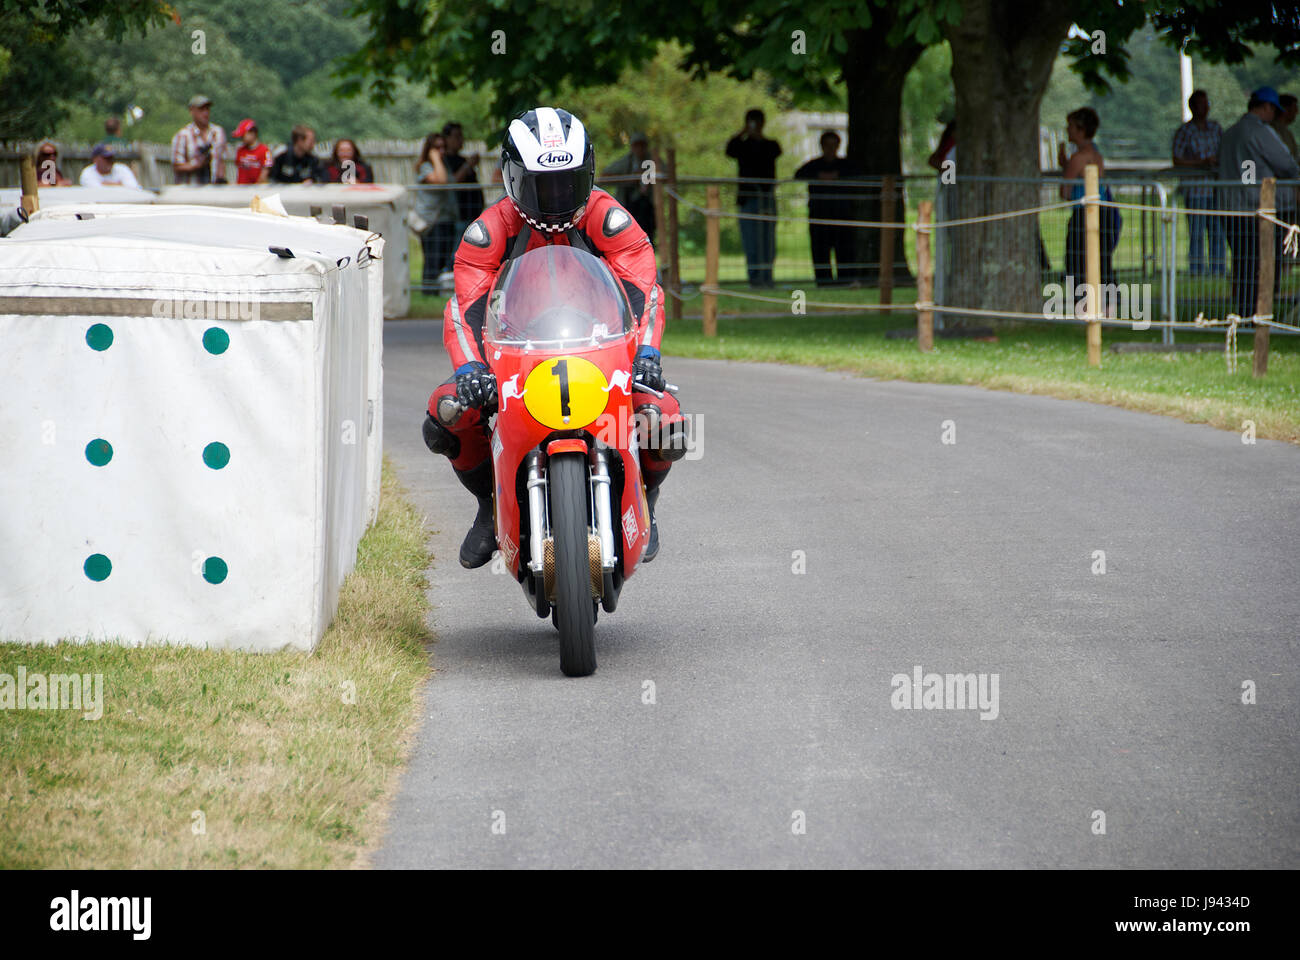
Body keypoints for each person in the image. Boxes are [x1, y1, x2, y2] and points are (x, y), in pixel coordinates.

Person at [422, 106, 684, 568]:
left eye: (568, 181)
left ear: (588, 174)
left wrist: (646, 353)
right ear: (511, 176)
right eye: (541, 184)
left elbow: (646, 290)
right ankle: (488, 506)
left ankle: (645, 496)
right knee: (447, 412)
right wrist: (471, 370)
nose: (556, 196)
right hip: (518, 357)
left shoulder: (610, 219)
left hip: (601, 350)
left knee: (663, 416)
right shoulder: (488, 233)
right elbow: (464, 311)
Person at [1217, 87, 1300, 319]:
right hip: (1259, 209)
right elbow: (1286, 164)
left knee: (1243, 264)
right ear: (1267, 107)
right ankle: (1260, 313)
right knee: (1264, 264)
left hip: (1231, 208)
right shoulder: (1261, 132)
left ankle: (1245, 312)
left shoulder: (1230, 133)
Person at [1059, 107, 1121, 299]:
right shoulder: (1097, 154)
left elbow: (1065, 192)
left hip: (1083, 216)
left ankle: (1084, 310)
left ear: (1081, 129)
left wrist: (1067, 169)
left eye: (1071, 126)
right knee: (1101, 262)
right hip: (1104, 214)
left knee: (1076, 263)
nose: (1067, 130)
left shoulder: (1078, 158)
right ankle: (1108, 308)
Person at [726, 108, 781, 287]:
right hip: (747, 199)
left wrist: (758, 136)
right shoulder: (742, 146)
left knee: (768, 240)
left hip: (766, 199)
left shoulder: (770, 145)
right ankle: (754, 278)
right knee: (751, 241)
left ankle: (767, 277)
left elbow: (775, 151)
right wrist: (743, 132)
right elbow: (730, 149)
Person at [794, 130, 857, 286]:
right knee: (820, 250)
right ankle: (824, 282)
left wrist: (837, 176)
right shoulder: (814, 165)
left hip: (842, 214)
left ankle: (845, 281)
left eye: (833, 145)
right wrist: (819, 176)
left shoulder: (846, 165)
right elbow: (799, 174)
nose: (830, 148)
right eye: (827, 145)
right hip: (819, 214)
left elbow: (856, 173)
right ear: (822, 146)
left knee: (844, 250)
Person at [1172, 89, 1225, 276]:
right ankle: (1197, 270)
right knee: (1197, 233)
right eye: (1200, 104)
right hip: (1195, 191)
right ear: (1192, 107)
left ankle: (1218, 269)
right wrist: (1200, 163)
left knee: (1217, 231)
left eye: (1206, 104)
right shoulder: (1184, 131)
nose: (1204, 108)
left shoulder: (1216, 128)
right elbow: (1177, 159)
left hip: (1216, 189)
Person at [414, 132, 457, 293]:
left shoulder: (443, 165)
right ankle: (428, 290)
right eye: (437, 147)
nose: (441, 151)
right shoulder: (425, 166)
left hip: (447, 218)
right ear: (429, 149)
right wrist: (435, 158)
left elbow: (452, 181)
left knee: (444, 257)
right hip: (431, 220)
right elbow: (441, 181)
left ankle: (438, 290)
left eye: (443, 147)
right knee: (433, 257)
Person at [600, 131, 656, 243]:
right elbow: (605, 175)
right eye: (637, 145)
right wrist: (630, 179)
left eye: (642, 145)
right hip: (628, 205)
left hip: (647, 206)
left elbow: (664, 174)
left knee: (648, 229)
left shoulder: (652, 161)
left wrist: (647, 178)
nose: (639, 148)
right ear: (632, 146)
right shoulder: (626, 161)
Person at [171, 94, 227, 184]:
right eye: (201, 109)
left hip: (214, 189)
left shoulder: (218, 132)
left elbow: (222, 160)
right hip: (191, 190)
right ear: (192, 111)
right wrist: (197, 164)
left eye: (207, 109)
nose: (205, 113)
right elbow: (177, 167)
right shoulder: (183, 135)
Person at [441, 122, 486, 233]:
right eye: (457, 136)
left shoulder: (461, 159)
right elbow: (453, 181)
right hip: (460, 215)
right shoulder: (444, 162)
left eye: (461, 136)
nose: (461, 139)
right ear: (446, 139)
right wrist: (468, 165)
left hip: (473, 214)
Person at [232, 119, 271, 185]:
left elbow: (265, 172)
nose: (242, 138)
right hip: (241, 189)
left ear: (253, 133)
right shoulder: (240, 150)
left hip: (256, 190)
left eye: (243, 135)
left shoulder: (264, 150)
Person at [1272, 94, 1300, 164]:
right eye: (1294, 109)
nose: (1297, 112)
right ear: (1285, 109)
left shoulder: (1286, 132)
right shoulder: (1273, 130)